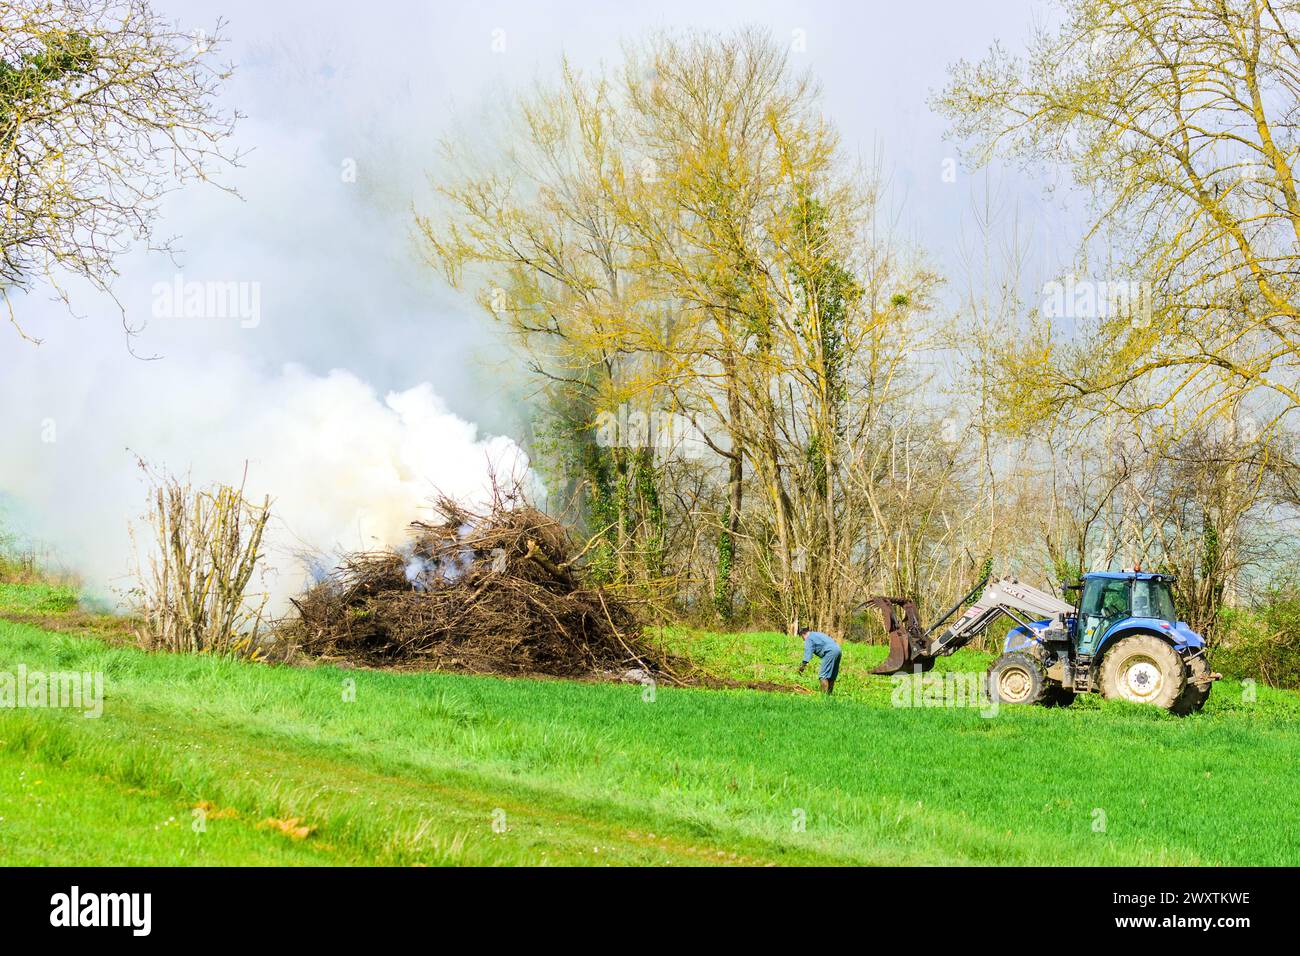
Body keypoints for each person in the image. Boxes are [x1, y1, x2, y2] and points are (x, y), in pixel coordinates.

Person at [797, 626, 842, 695]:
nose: (803, 639)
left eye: (802, 637)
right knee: (832, 676)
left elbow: (807, 654)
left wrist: (802, 667)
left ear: (803, 634)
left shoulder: (809, 638)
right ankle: (829, 696)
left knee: (823, 675)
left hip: (829, 652)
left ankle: (824, 697)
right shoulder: (816, 634)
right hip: (838, 650)